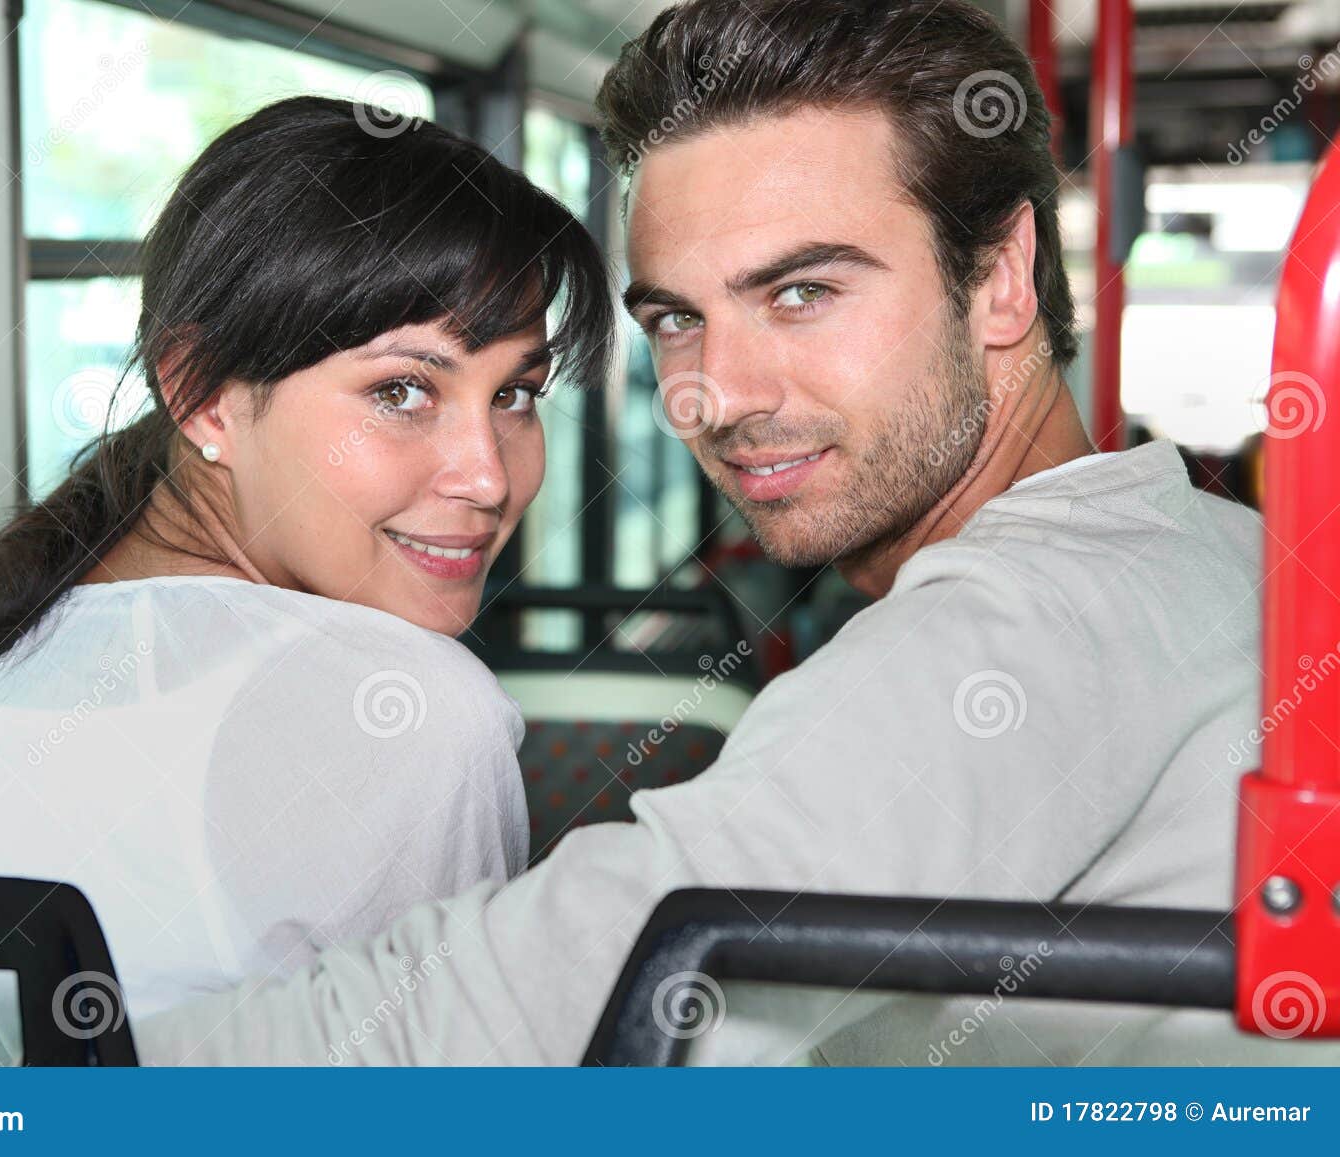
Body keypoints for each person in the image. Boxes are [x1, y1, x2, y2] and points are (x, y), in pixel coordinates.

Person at [134, 0, 1336, 1066]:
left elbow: (560, 1002)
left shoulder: (1019, 628)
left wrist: (35, 1082)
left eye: (800, 292)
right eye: (674, 319)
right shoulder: (1198, 546)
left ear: (1003, 277)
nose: (717, 392)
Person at [0, 96, 613, 1066]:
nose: (489, 475)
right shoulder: (410, 707)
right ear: (200, 393)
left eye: (516, 395)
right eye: (402, 391)